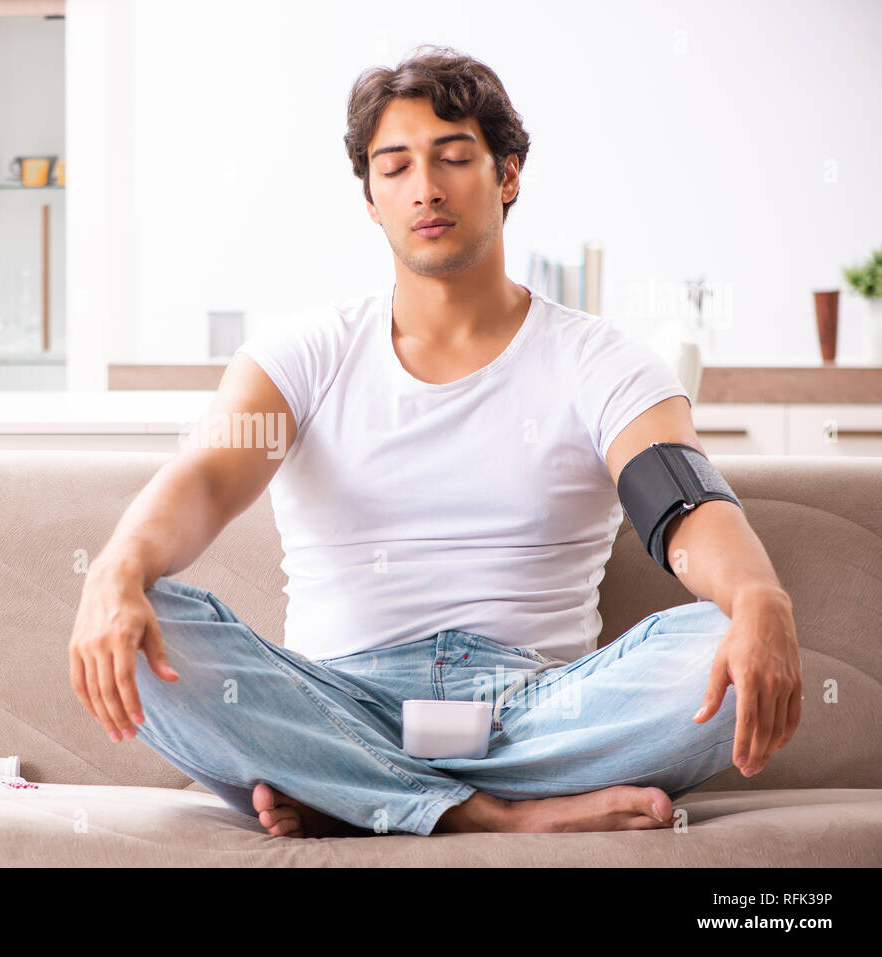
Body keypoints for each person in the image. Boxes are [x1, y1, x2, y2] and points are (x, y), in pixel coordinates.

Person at [68, 44, 802, 838]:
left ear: (507, 176)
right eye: (395, 167)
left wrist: (759, 597)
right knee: (148, 628)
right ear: (371, 197)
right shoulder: (301, 355)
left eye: (454, 158)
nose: (425, 187)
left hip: (537, 713)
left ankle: (361, 795)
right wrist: (117, 568)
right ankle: (489, 814)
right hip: (335, 702)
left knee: (722, 644)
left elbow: (682, 504)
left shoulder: (602, 360)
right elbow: (206, 479)